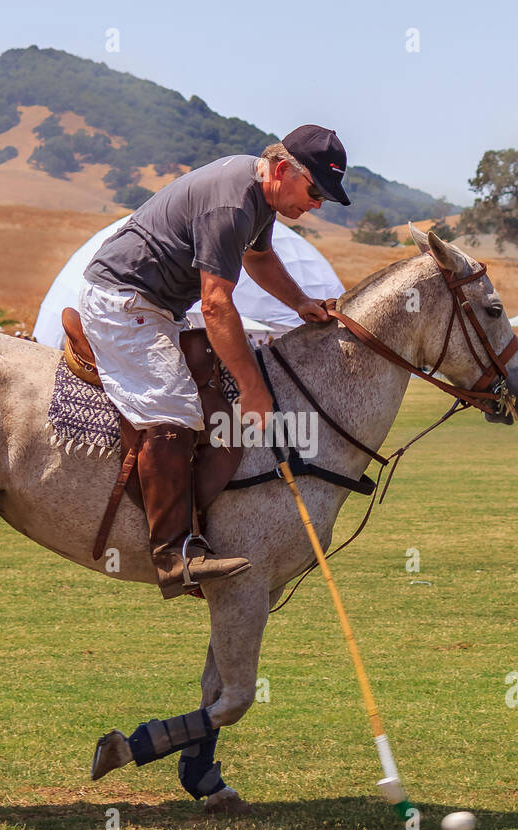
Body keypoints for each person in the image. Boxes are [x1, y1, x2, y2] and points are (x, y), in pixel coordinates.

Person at [77, 124, 350, 598]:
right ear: (283, 169)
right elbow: (216, 304)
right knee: (176, 410)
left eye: (325, 197)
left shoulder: (259, 193)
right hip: (123, 298)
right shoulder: (233, 203)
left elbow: (259, 261)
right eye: (314, 191)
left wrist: (300, 302)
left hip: (156, 305)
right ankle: (173, 555)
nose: (317, 205)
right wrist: (253, 388)